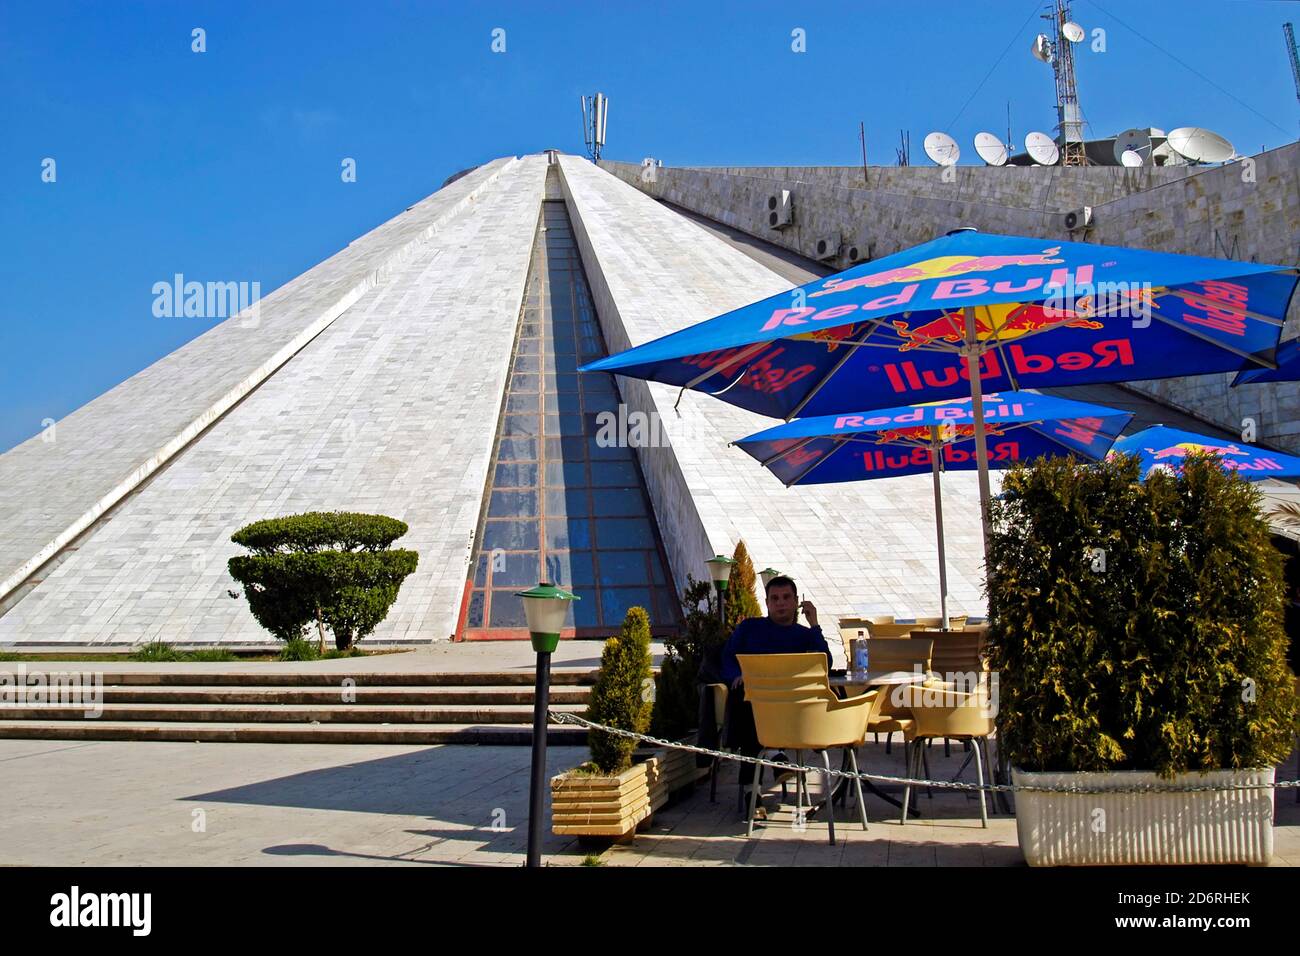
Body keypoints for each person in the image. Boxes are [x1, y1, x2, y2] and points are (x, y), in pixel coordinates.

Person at [720, 575, 833, 816]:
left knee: (755, 712)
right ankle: (774, 757)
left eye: (786, 598)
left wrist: (815, 625)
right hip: (753, 705)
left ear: (796, 602)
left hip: (793, 714)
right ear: (767, 603)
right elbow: (727, 658)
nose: (780, 603)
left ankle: (756, 786)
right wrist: (736, 675)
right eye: (775, 599)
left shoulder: (804, 636)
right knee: (746, 697)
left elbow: (825, 664)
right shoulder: (750, 628)